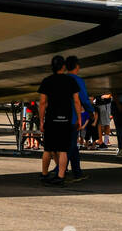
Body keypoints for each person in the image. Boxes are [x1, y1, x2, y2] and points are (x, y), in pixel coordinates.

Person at [37, 55, 81, 186]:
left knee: (48, 149)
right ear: (63, 66)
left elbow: (43, 102)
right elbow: (77, 101)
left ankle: (44, 174)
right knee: (63, 149)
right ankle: (61, 176)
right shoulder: (70, 81)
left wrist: (41, 120)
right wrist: (78, 118)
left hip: (51, 118)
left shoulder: (47, 81)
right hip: (65, 119)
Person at [62, 56, 92, 184]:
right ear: (77, 66)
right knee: (70, 146)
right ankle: (59, 171)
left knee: (72, 146)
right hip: (72, 117)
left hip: (58, 116)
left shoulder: (61, 79)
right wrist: (91, 111)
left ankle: (77, 172)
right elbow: (83, 99)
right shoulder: (78, 80)